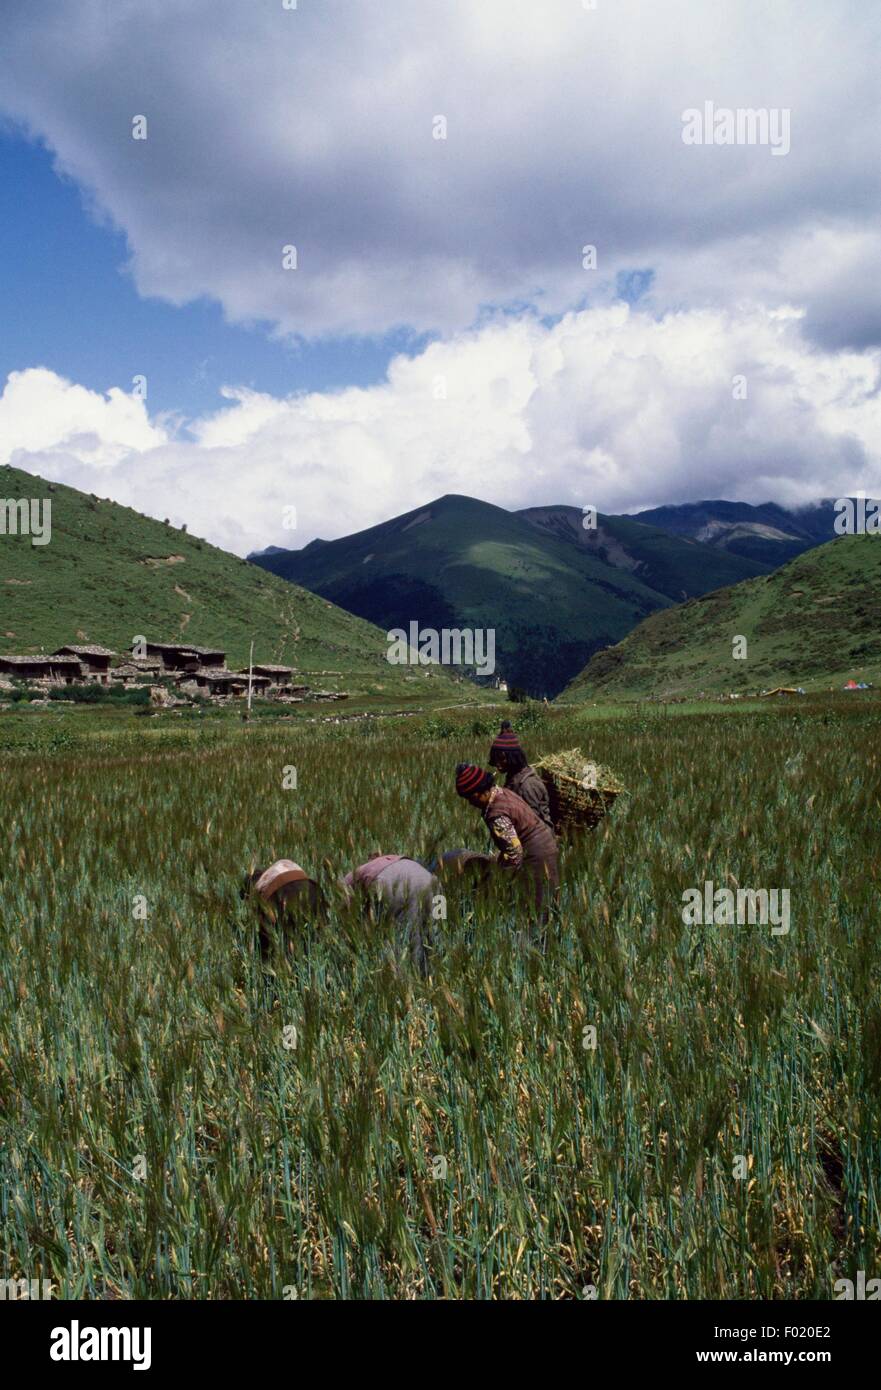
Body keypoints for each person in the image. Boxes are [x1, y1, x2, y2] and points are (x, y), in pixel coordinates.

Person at [455, 764, 559, 922]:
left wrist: (496, 880)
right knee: (548, 905)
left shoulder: (496, 814)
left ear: (479, 793)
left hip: (536, 856)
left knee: (535, 914)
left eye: (471, 797)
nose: (471, 803)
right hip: (547, 846)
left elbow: (515, 854)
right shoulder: (503, 793)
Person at [342, 853, 439, 976]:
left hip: (389, 881)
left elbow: (345, 915)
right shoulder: (393, 859)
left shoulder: (355, 874)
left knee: (393, 939)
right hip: (431, 880)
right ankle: (431, 979)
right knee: (433, 933)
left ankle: (403, 983)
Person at [242, 859, 324, 960]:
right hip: (313, 890)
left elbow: (263, 941)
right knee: (313, 940)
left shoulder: (259, 890)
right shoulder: (274, 870)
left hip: (284, 894)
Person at [487, 721, 554, 830]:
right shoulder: (514, 778)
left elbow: (534, 825)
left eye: (501, 759)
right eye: (495, 760)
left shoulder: (527, 786)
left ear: (512, 758)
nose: (497, 765)